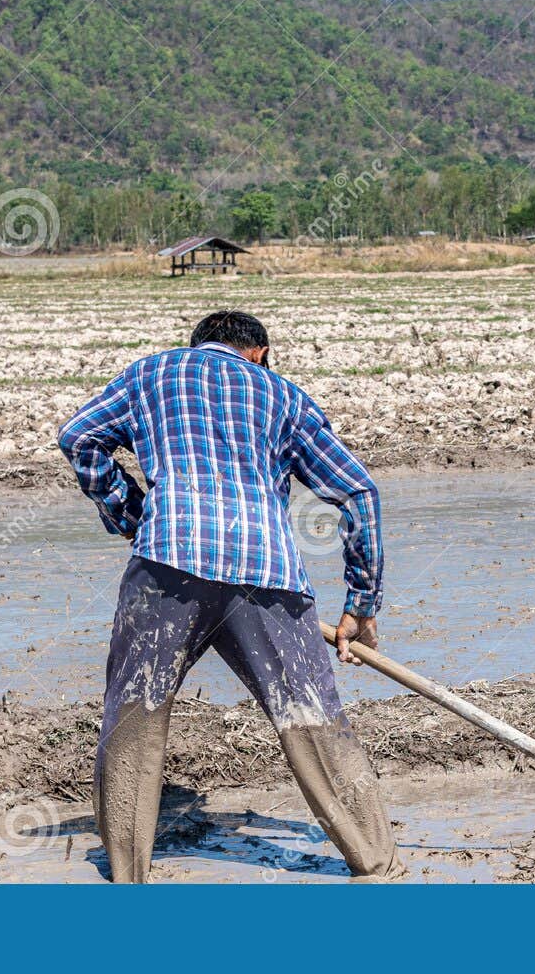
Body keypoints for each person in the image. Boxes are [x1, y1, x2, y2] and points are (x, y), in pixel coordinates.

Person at [58, 310, 405, 883]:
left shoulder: (151, 374)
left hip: (168, 565)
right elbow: (359, 494)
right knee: (312, 716)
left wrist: (130, 510)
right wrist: (361, 606)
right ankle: (377, 862)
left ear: (197, 346)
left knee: (135, 717)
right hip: (266, 574)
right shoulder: (284, 396)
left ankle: (127, 879)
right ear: (260, 353)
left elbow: (80, 439)